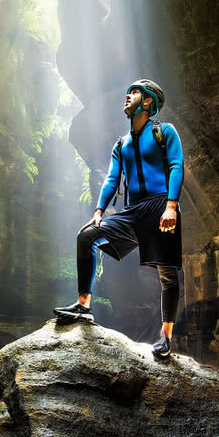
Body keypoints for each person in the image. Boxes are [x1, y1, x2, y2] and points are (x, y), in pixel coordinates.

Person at [53, 78, 184, 358]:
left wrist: (171, 205)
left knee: (167, 275)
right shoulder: (121, 144)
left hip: (160, 205)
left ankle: (165, 336)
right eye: (128, 91)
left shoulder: (165, 132)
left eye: (135, 92)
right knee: (86, 236)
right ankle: (83, 307)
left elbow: (175, 165)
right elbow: (112, 179)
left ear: (148, 102)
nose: (128, 95)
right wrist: (99, 211)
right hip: (132, 212)